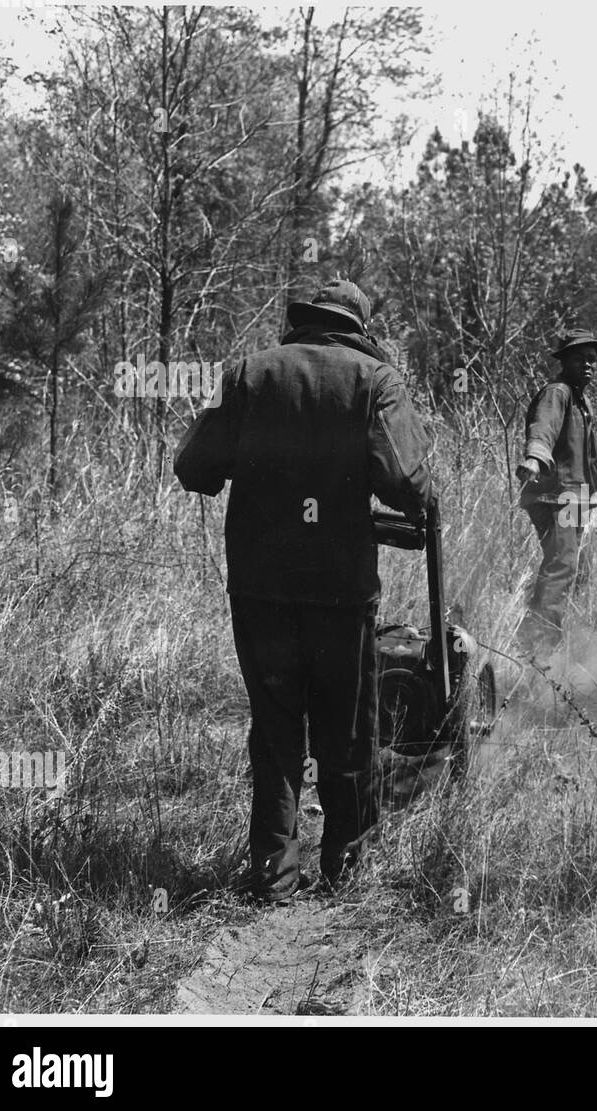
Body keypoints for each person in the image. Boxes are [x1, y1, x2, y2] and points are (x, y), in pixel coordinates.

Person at [174, 279, 434, 901]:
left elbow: (193, 468)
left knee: (274, 726)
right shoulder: (374, 380)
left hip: (259, 588)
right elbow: (409, 484)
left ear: (303, 321)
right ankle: (348, 867)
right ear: (356, 325)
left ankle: (274, 874)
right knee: (346, 725)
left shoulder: (249, 375)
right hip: (340, 590)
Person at [515, 329, 597, 654]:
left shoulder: (582, 401)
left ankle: (532, 632)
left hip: (574, 500)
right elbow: (543, 428)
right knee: (562, 567)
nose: (589, 365)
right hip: (554, 498)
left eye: (593, 360)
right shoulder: (557, 393)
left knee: (572, 569)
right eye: (581, 359)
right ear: (565, 361)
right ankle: (538, 646)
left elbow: (593, 458)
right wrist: (535, 457)